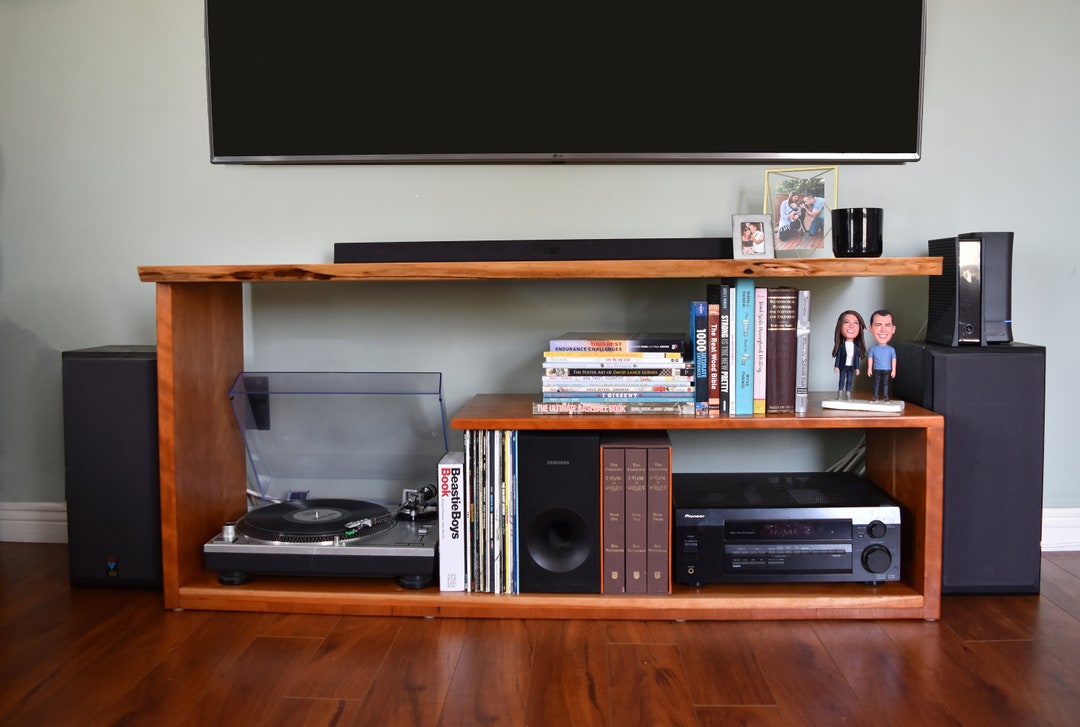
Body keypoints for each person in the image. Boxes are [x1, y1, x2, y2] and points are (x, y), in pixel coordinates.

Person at [831, 310, 866, 400]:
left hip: (851, 367)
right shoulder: (841, 347)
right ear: (840, 326)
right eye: (846, 322)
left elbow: (856, 359)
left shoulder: (856, 348)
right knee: (841, 380)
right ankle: (840, 394)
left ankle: (848, 395)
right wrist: (836, 366)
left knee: (849, 380)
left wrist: (857, 368)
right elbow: (838, 357)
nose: (851, 326)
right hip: (843, 366)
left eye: (856, 323)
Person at [866, 309, 897, 402]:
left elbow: (893, 360)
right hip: (876, 369)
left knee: (886, 384)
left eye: (887, 325)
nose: (883, 330)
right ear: (870, 328)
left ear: (893, 329)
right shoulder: (872, 349)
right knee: (876, 383)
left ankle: (886, 397)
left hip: (887, 369)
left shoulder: (891, 350)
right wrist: (869, 368)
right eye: (878, 325)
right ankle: (875, 397)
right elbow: (870, 359)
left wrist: (894, 370)